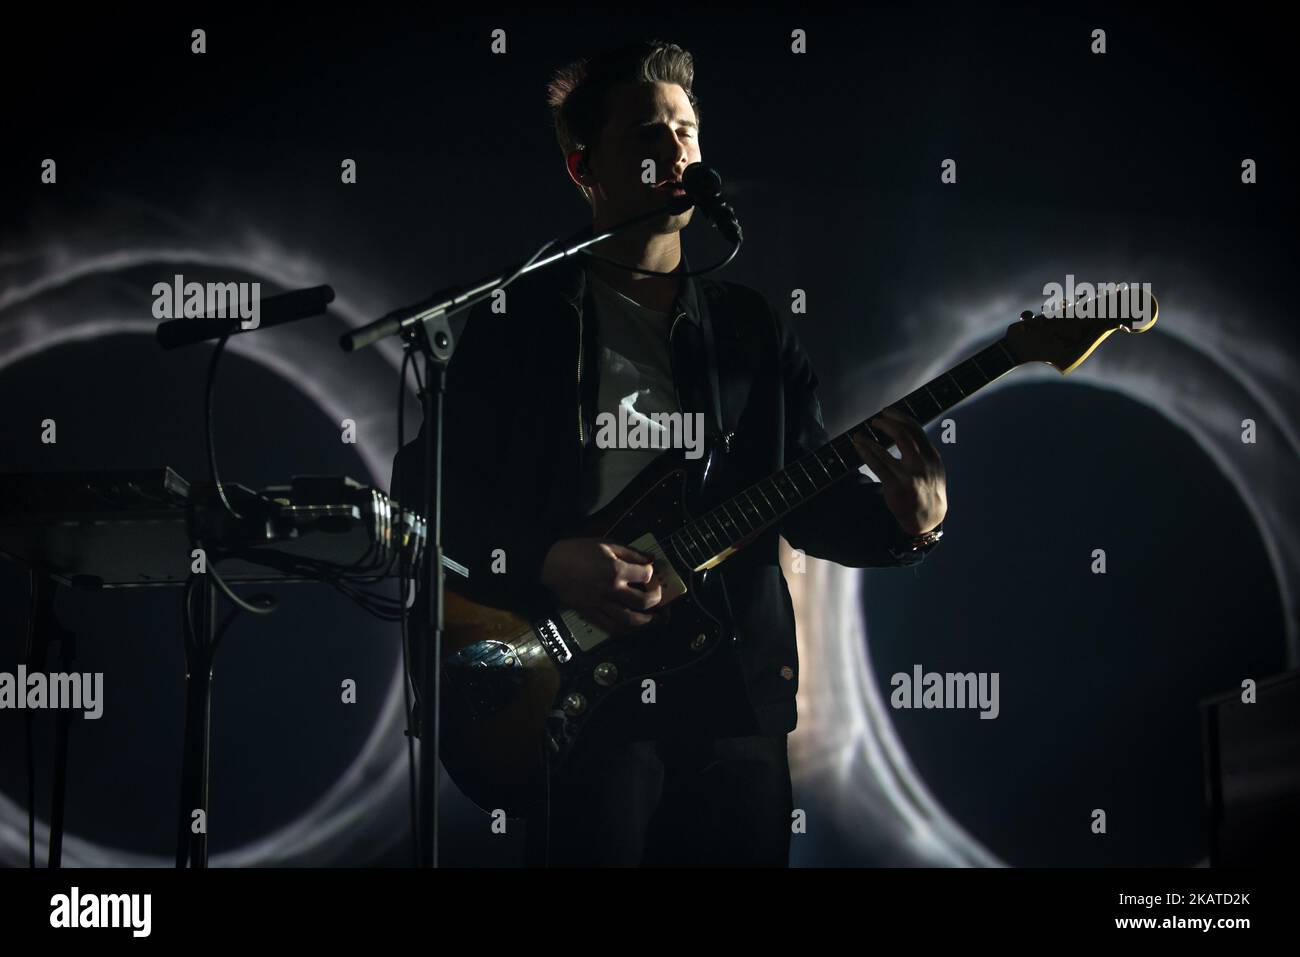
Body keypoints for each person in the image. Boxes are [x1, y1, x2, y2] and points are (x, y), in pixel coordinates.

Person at [394, 39, 947, 866]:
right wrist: (551, 558)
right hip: (582, 701)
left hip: (732, 702)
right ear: (586, 169)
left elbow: (809, 498)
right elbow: (428, 489)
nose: (676, 151)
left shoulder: (753, 331)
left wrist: (910, 527)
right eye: (647, 136)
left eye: (686, 130)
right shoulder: (520, 322)